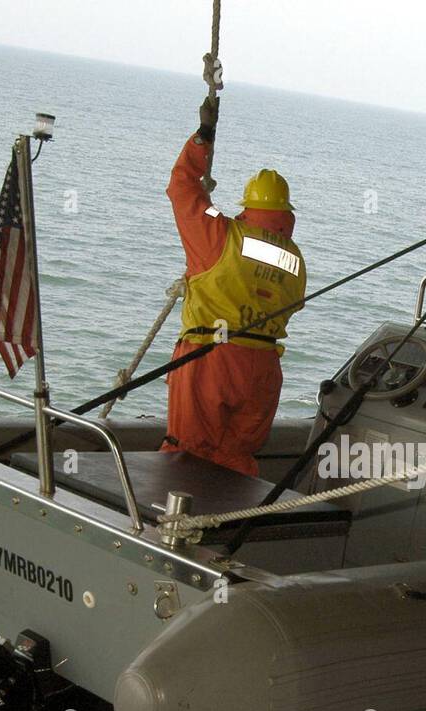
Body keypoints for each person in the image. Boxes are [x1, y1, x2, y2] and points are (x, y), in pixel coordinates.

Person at [161, 96, 307, 476]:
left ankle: (176, 528)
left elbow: (182, 189)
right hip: (262, 371)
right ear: (286, 214)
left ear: (248, 207)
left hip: (212, 360)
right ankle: (225, 528)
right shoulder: (295, 258)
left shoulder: (221, 235)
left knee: (186, 456)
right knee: (235, 461)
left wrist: (203, 137)